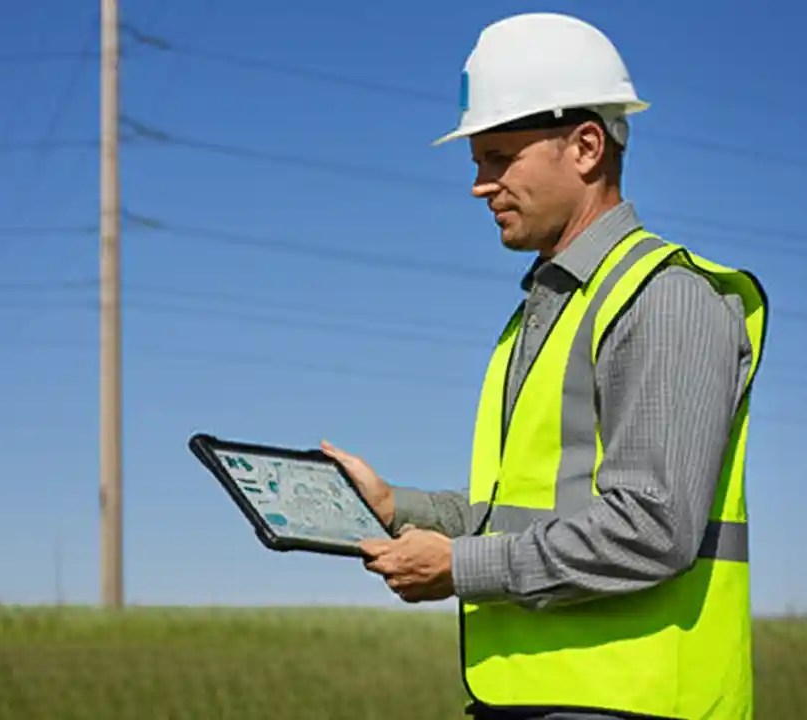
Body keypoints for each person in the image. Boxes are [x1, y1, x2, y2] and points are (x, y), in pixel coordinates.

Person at [319, 12, 769, 720]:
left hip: (636, 706)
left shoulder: (666, 300)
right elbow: (521, 512)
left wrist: (458, 569)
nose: (480, 183)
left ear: (586, 146)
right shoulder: (548, 308)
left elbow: (652, 528)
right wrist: (391, 505)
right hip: (537, 700)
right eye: (476, 162)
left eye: (499, 156)